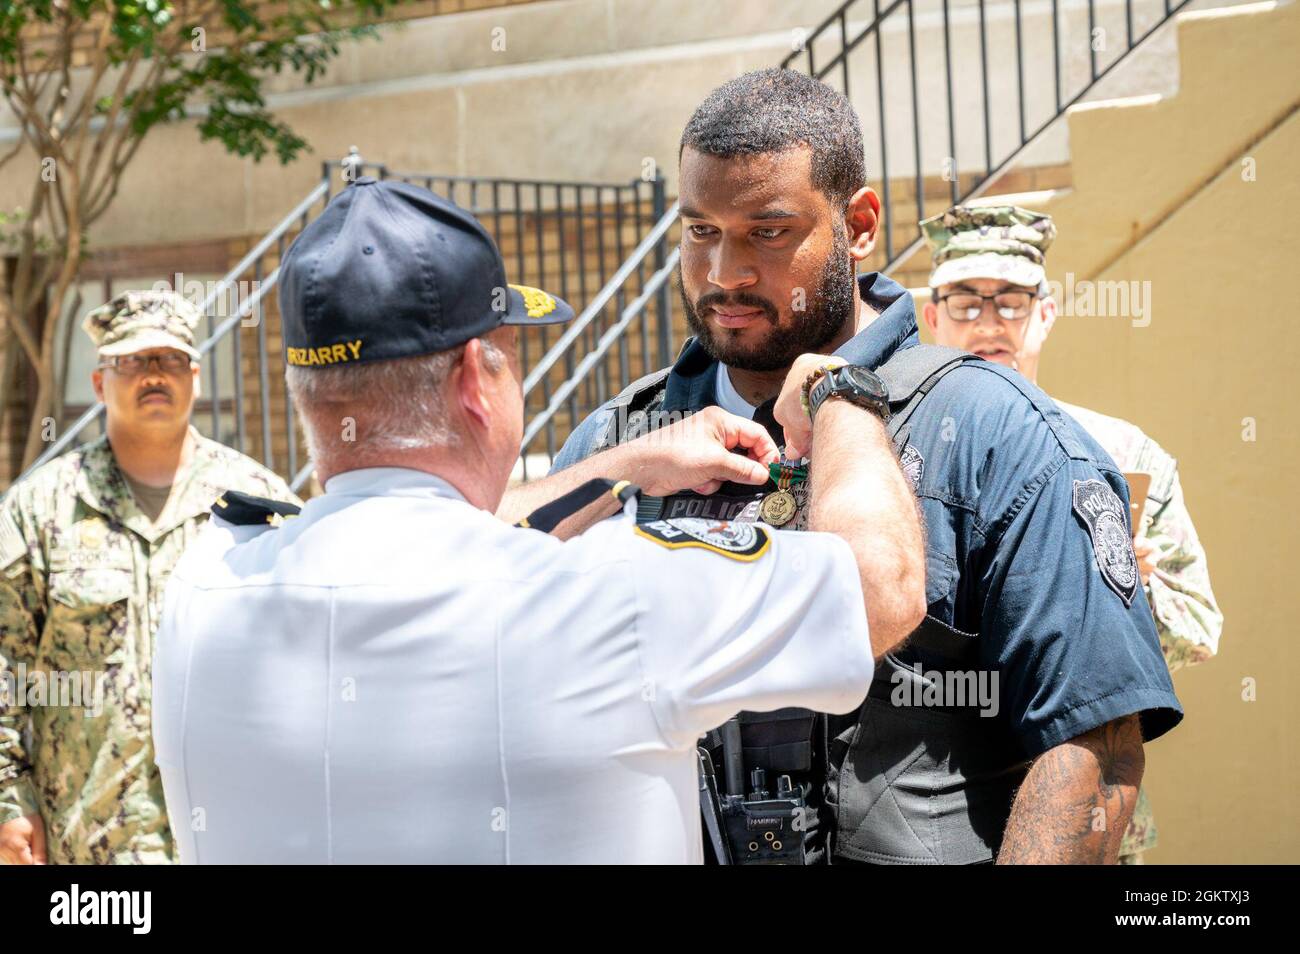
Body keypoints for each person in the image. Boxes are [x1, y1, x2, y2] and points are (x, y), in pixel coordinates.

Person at [151, 177, 927, 864]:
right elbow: (880, 586)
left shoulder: (201, 592)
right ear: (474, 380)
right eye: (511, 354)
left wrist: (625, 463)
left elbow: (435, 526)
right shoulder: (612, 598)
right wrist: (845, 392)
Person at [540, 68, 1184, 864]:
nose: (724, 274)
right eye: (700, 230)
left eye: (767, 232)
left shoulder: (997, 433)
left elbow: (1097, 740)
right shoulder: (618, 445)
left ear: (861, 225)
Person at [919, 203, 1223, 863]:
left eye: (1012, 300)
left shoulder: (1121, 454)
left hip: (1090, 811)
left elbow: (1199, 624)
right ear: (930, 316)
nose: (991, 322)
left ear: (1047, 314)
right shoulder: (896, 455)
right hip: (930, 804)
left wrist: (1126, 595)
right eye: (966, 302)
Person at [0, 291, 298, 865]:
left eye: (168, 360)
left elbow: (301, 660)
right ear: (98, 383)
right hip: (85, 845)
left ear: (195, 376)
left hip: (232, 839)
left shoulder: (262, 505)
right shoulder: (39, 509)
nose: (152, 375)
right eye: (132, 362)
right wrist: (10, 801)